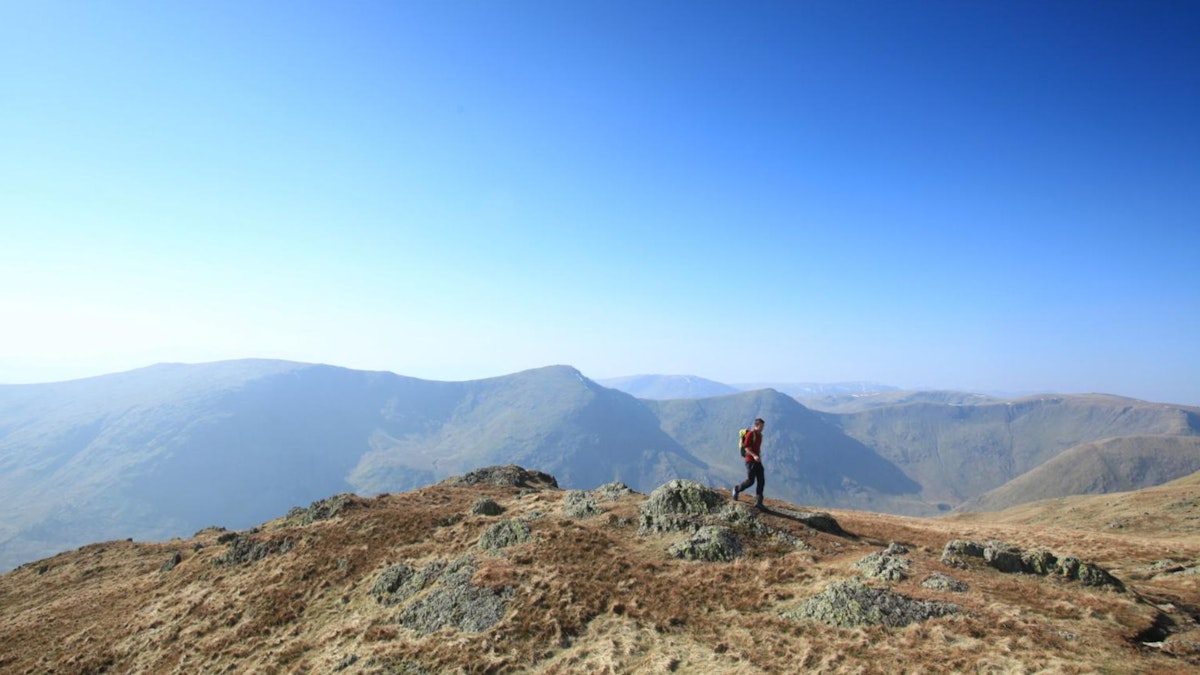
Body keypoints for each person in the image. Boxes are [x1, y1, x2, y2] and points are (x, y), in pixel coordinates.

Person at [733, 418, 766, 510]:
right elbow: (746, 447)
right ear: (756, 425)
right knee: (750, 481)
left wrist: (758, 456)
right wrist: (754, 455)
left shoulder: (760, 436)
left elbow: (756, 447)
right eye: (761, 426)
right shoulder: (751, 434)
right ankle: (737, 489)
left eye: (763, 426)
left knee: (761, 480)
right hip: (750, 460)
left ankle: (759, 502)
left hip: (757, 460)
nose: (763, 428)